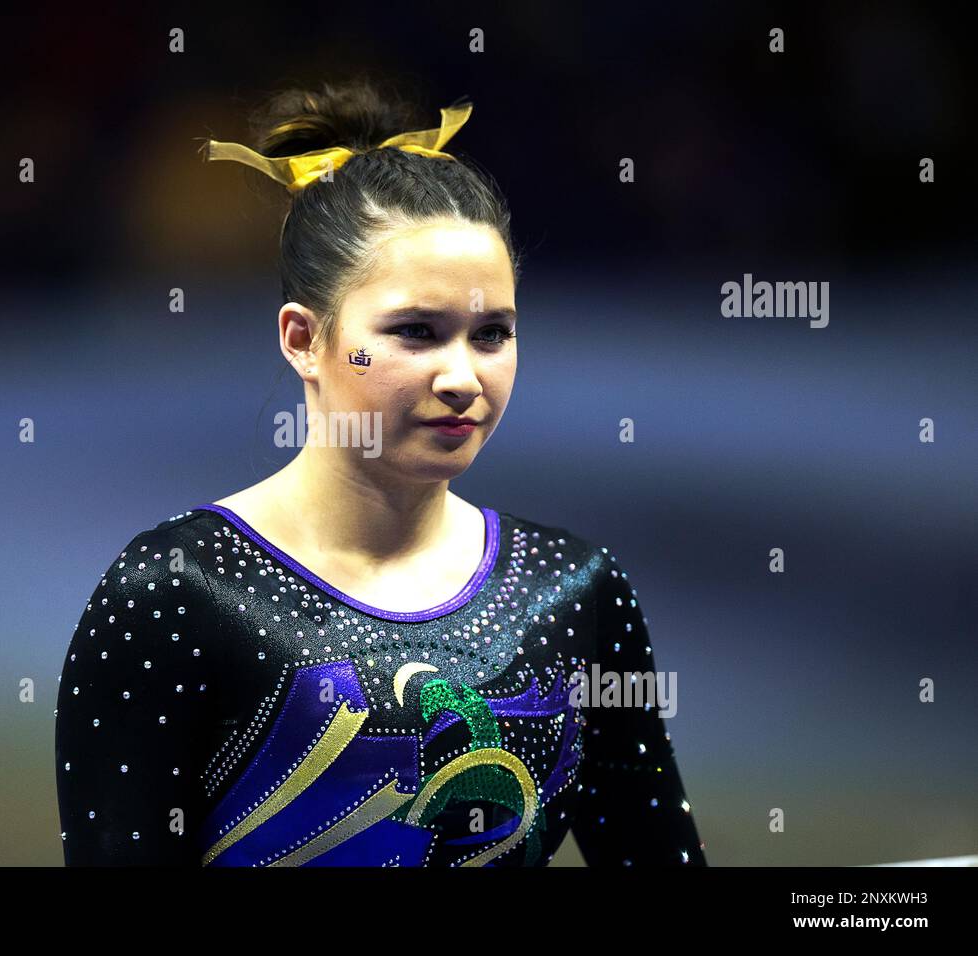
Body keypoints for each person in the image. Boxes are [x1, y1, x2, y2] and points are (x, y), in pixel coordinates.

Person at [55, 78, 707, 866]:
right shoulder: (180, 592)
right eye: (416, 332)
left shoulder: (573, 592)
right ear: (303, 338)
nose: (463, 376)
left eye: (491, 334)